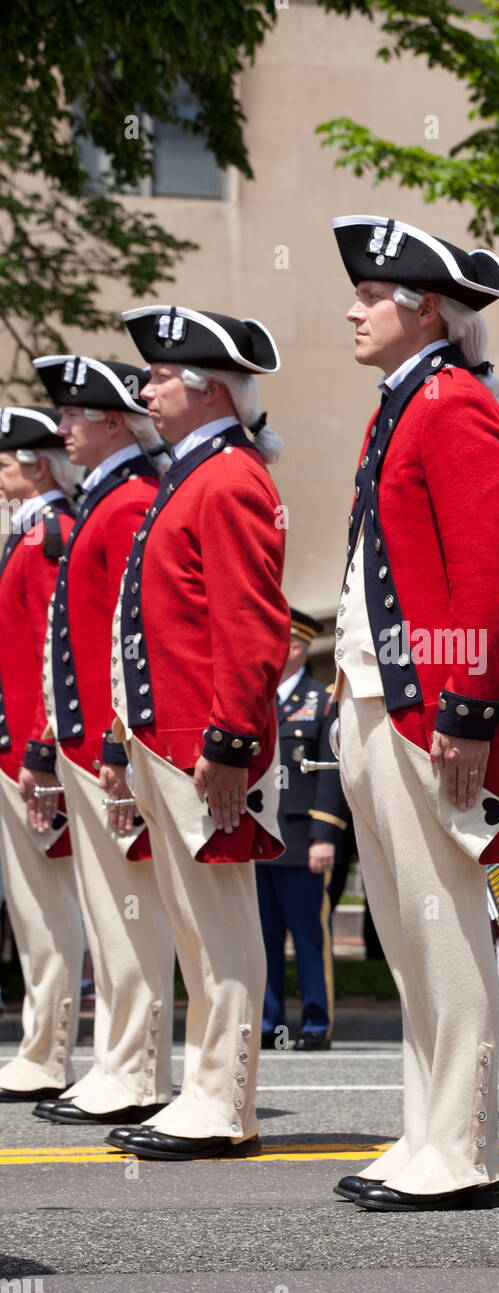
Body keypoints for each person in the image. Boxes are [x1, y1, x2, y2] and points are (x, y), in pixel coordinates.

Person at [329, 214, 499, 1210]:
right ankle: (424, 1130)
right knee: (407, 936)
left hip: (426, 708)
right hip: (373, 698)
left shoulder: (453, 405)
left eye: (370, 296)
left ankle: (462, 1145)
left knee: (445, 926)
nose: (353, 310)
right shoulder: (399, 407)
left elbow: (490, 573)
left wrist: (463, 702)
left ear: (427, 312)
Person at [102, 304, 292, 1160]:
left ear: (208, 386)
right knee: (194, 930)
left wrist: (229, 745)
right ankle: (205, 1091)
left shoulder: (228, 478)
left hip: (203, 744)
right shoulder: (196, 474)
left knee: (220, 933)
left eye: (159, 375)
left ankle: (225, 1103)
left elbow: (252, 628)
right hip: (170, 737)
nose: (144, 388)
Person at [23, 355, 176, 1128]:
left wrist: (115, 742)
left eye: (76, 415)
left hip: (105, 739)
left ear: (115, 421)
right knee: (109, 912)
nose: (63, 429)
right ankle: (117, 1062)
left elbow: (129, 641)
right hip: (83, 738)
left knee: (130, 913)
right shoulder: (107, 502)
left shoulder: (125, 504)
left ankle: (139, 1070)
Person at [0, 407, 80, 1101]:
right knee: (31, 911)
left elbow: (59, 657)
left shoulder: (52, 538)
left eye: (5, 463)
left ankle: (49, 1052)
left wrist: (42, 750)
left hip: (32, 747)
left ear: (38, 468)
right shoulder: (29, 536)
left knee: (48, 908)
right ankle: (39, 1046)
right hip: (15, 744)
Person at [256, 608, 349, 1051]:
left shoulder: (323, 699)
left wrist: (324, 836)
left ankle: (316, 1023)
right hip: (260, 836)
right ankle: (268, 1023)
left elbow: (332, 770)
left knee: (309, 934)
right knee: (263, 936)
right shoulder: (255, 697)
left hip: (301, 838)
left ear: (297, 646)